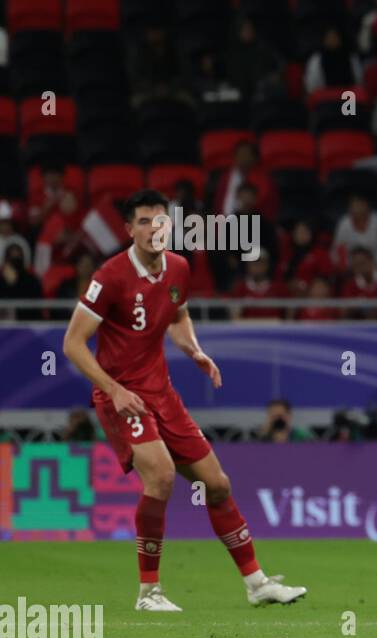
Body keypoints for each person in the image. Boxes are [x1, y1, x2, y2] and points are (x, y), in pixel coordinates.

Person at [61, 189, 306, 611]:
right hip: (122, 398)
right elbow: (72, 344)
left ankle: (256, 583)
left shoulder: (179, 267)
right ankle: (148, 593)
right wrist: (116, 390)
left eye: (160, 220)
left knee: (217, 485)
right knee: (160, 476)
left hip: (163, 393)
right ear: (129, 229)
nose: (153, 228)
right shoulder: (110, 276)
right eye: (143, 221)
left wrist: (194, 350)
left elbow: (178, 316)